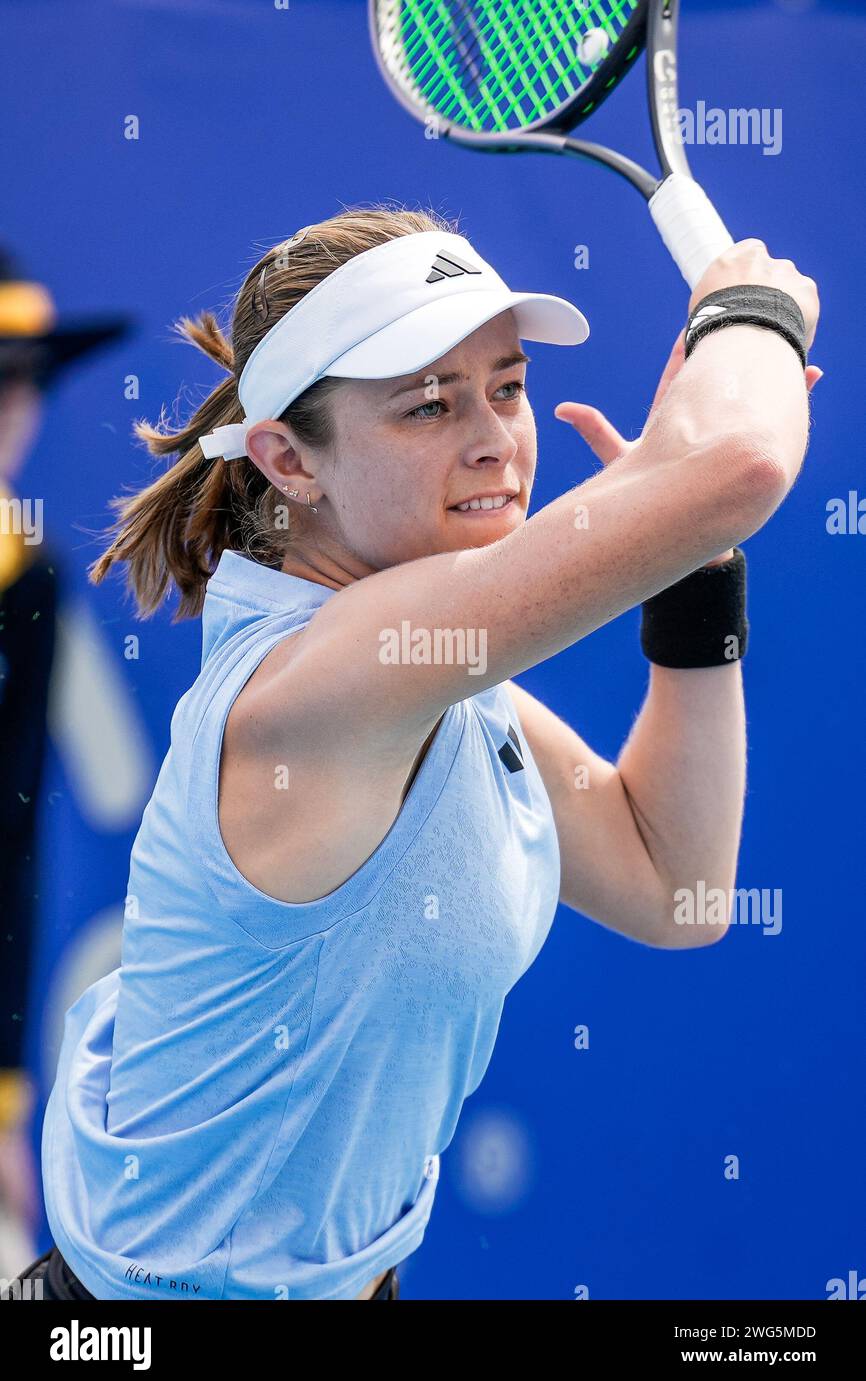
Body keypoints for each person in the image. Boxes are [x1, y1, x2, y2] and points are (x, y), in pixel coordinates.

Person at [7, 203, 819, 1302]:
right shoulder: (323, 686)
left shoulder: (435, 674)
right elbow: (739, 456)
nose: (492, 435)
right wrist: (750, 311)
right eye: (428, 403)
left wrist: (690, 574)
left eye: (507, 385)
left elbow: (673, 885)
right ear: (289, 461)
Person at [0, 248, 130, 1280]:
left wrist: (2, 1097)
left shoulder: (27, 577)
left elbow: (11, 840)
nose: (13, 406)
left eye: (24, 379)